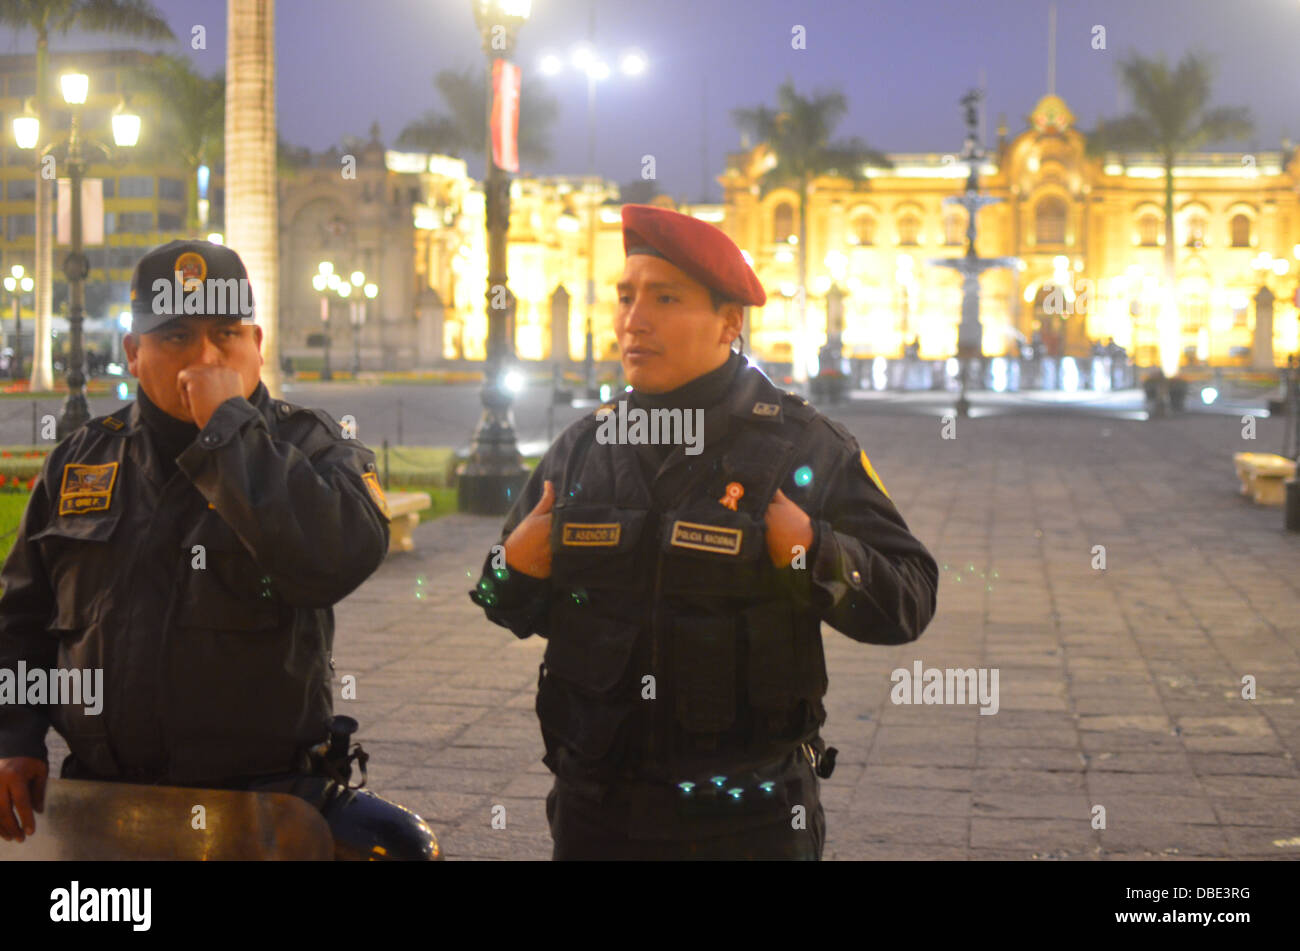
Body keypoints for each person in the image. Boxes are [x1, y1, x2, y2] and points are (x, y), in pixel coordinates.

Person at [470, 205, 939, 860]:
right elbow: (498, 596)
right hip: (597, 812)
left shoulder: (803, 446)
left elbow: (911, 595)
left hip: (750, 820)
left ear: (729, 321)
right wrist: (511, 569)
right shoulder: (583, 449)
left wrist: (815, 552)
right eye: (626, 296)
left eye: (666, 298)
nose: (635, 319)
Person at [0, 239, 434, 859]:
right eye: (175, 335)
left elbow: (333, 558)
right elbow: (20, 622)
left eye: (225, 333)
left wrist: (228, 430)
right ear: (132, 352)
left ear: (256, 345)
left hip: (262, 812)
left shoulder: (310, 449)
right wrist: (13, 738)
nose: (203, 356)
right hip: (108, 809)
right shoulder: (81, 460)